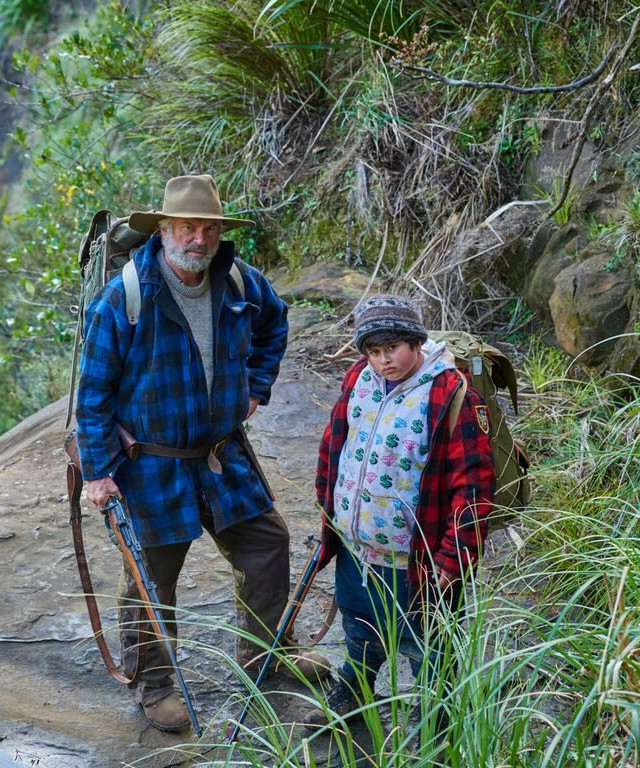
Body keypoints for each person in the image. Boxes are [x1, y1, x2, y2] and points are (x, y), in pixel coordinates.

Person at [76, 174, 322, 733]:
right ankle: (155, 684)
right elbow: (93, 394)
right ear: (163, 229)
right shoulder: (126, 296)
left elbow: (274, 321)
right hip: (152, 461)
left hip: (219, 451)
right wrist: (98, 472)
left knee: (266, 544)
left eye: (209, 227)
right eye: (187, 226)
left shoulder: (237, 280)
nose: (199, 237)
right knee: (151, 576)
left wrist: (256, 387)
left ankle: (266, 654)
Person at [309, 294, 495, 730]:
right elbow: (334, 446)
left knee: (428, 649)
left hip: (419, 563)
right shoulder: (359, 378)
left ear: (414, 341)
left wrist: (453, 560)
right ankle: (353, 698)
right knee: (358, 630)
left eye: (392, 348)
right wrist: (329, 513)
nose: (383, 360)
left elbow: (473, 487)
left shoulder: (449, 394)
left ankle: (437, 726)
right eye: (373, 351)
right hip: (358, 550)